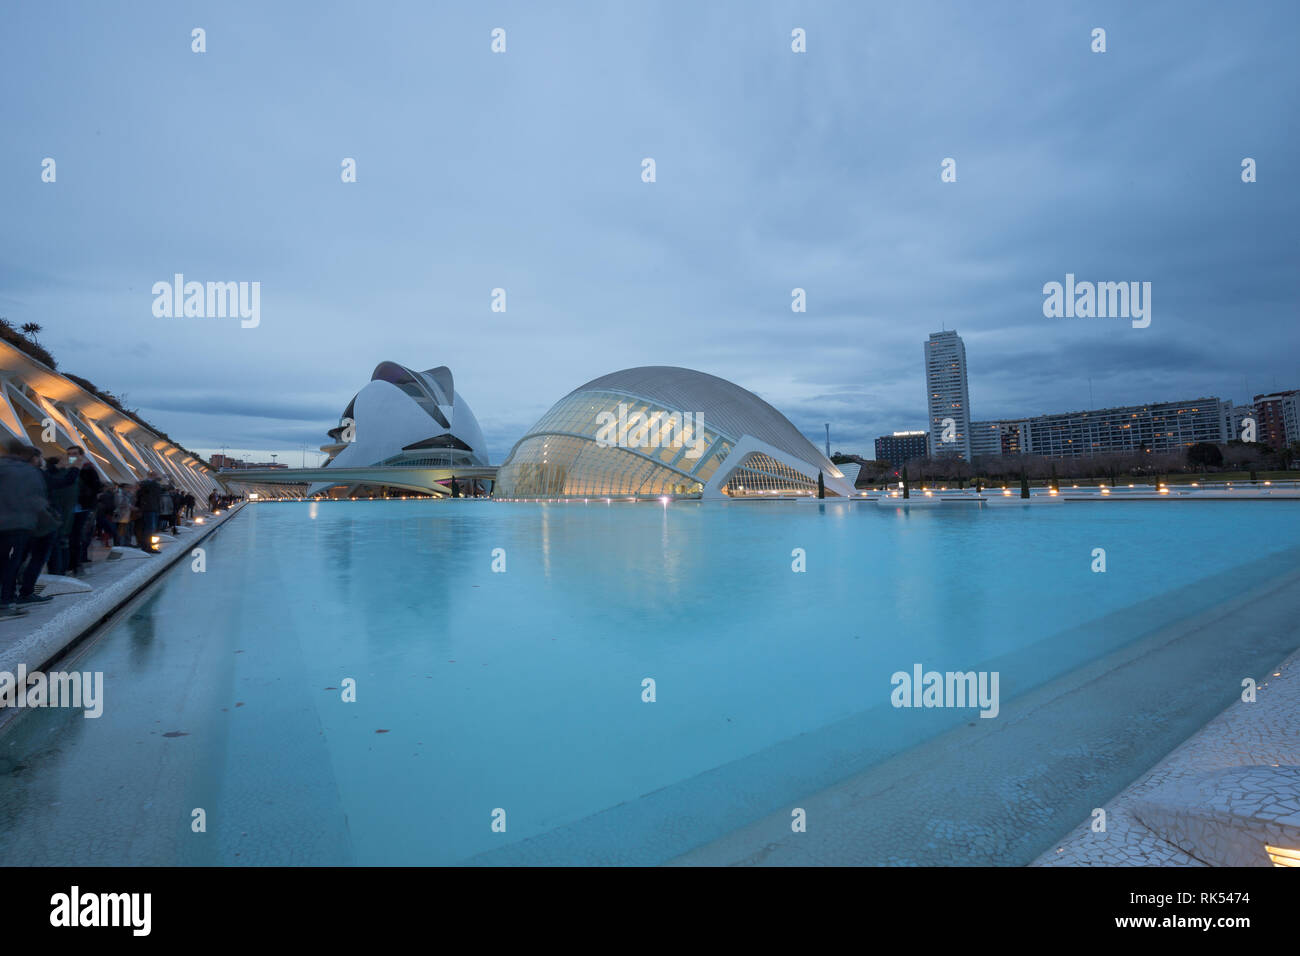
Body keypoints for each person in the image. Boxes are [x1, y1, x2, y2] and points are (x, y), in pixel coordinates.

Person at [1, 435, 51, 618]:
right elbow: (38, 500)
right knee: (11, 564)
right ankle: (5, 602)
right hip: (19, 525)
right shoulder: (30, 472)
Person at [16, 447, 58, 606]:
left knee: (18, 559)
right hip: (40, 523)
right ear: (35, 458)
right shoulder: (37, 474)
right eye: (40, 457)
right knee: (38, 558)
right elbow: (59, 484)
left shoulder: (16, 474)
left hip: (21, 523)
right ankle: (26, 592)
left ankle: (8, 594)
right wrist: (75, 466)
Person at [68, 445, 101, 573]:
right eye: (70, 454)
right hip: (69, 508)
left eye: (75, 453)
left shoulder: (88, 470)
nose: (72, 456)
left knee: (79, 536)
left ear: (81, 455)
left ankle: (76, 563)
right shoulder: (68, 469)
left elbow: (95, 487)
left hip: (83, 508)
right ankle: (71, 563)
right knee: (70, 537)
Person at [43, 452, 78, 574]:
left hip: (53, 517)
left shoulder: (49, 477)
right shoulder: (66, 477)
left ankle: (56, 572)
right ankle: (60, 572)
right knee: (61, 546)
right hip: (63, 517)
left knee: (52, 548)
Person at [135, 472, 162, 553]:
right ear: (150, 475)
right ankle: (147, 546)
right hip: (149, 508)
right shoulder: (146, 484)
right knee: (149, 528)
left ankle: (146, 545)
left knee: (149, 528)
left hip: (153, 508)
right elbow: (140, 494)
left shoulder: (154, 484)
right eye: (155, 475)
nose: (156, 476)